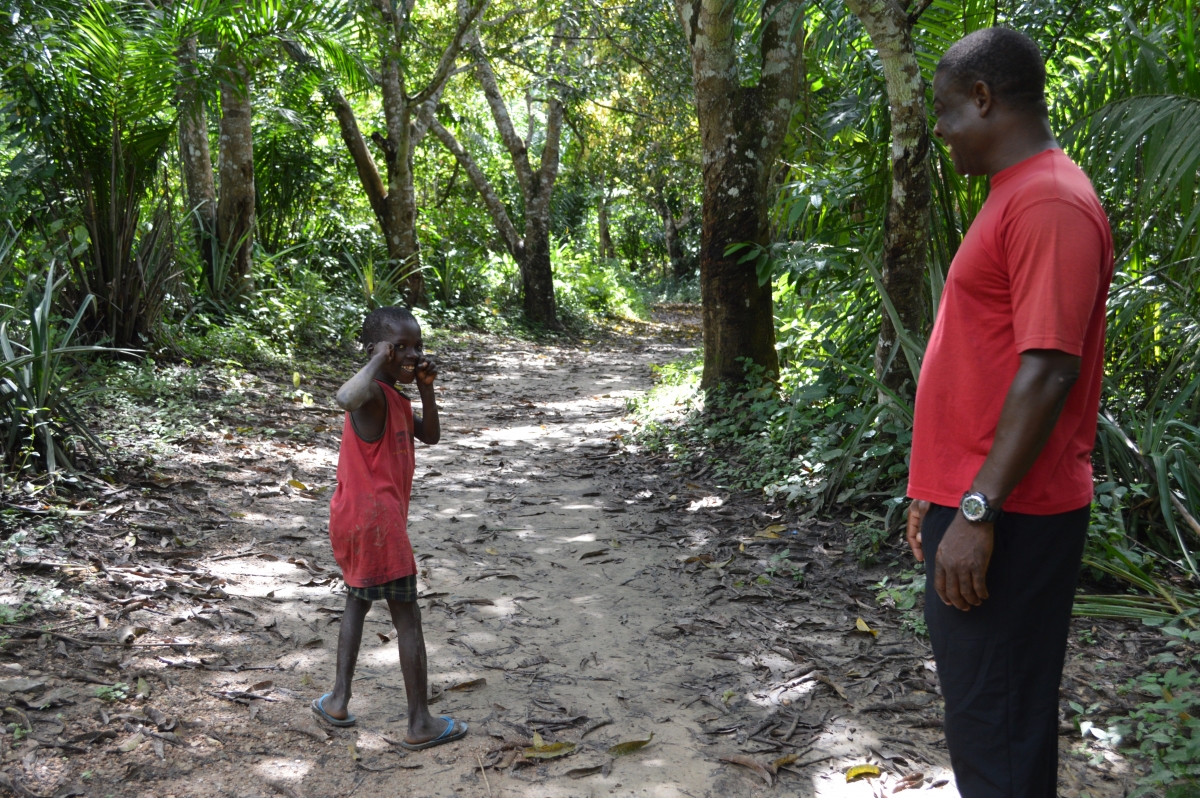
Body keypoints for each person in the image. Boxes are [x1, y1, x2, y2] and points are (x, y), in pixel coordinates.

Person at [905, 28, 1113, 798]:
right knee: (986, 714)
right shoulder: (1016, 193)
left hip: (1012, 514)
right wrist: (934, 491)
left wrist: (978, 508)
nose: (940, 127)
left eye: (945, 109)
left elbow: (1050, 365)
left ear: (984, 98)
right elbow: (983, 355)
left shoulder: (1049, 201)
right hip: (977, 500)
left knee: (998, 720)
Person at [310, 305, 468, 750]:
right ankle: (419, 722)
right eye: (400, 347)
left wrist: (427, 390)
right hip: (377, 524)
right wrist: (379, 360)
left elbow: (431, 435)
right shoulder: (373, 393)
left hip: (361, 520)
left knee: (358, 603)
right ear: (377, 351)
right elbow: (345, 396)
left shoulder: (396, 398)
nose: (412, 354)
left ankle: (338, 700)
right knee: (407, 617)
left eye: (417, 346)